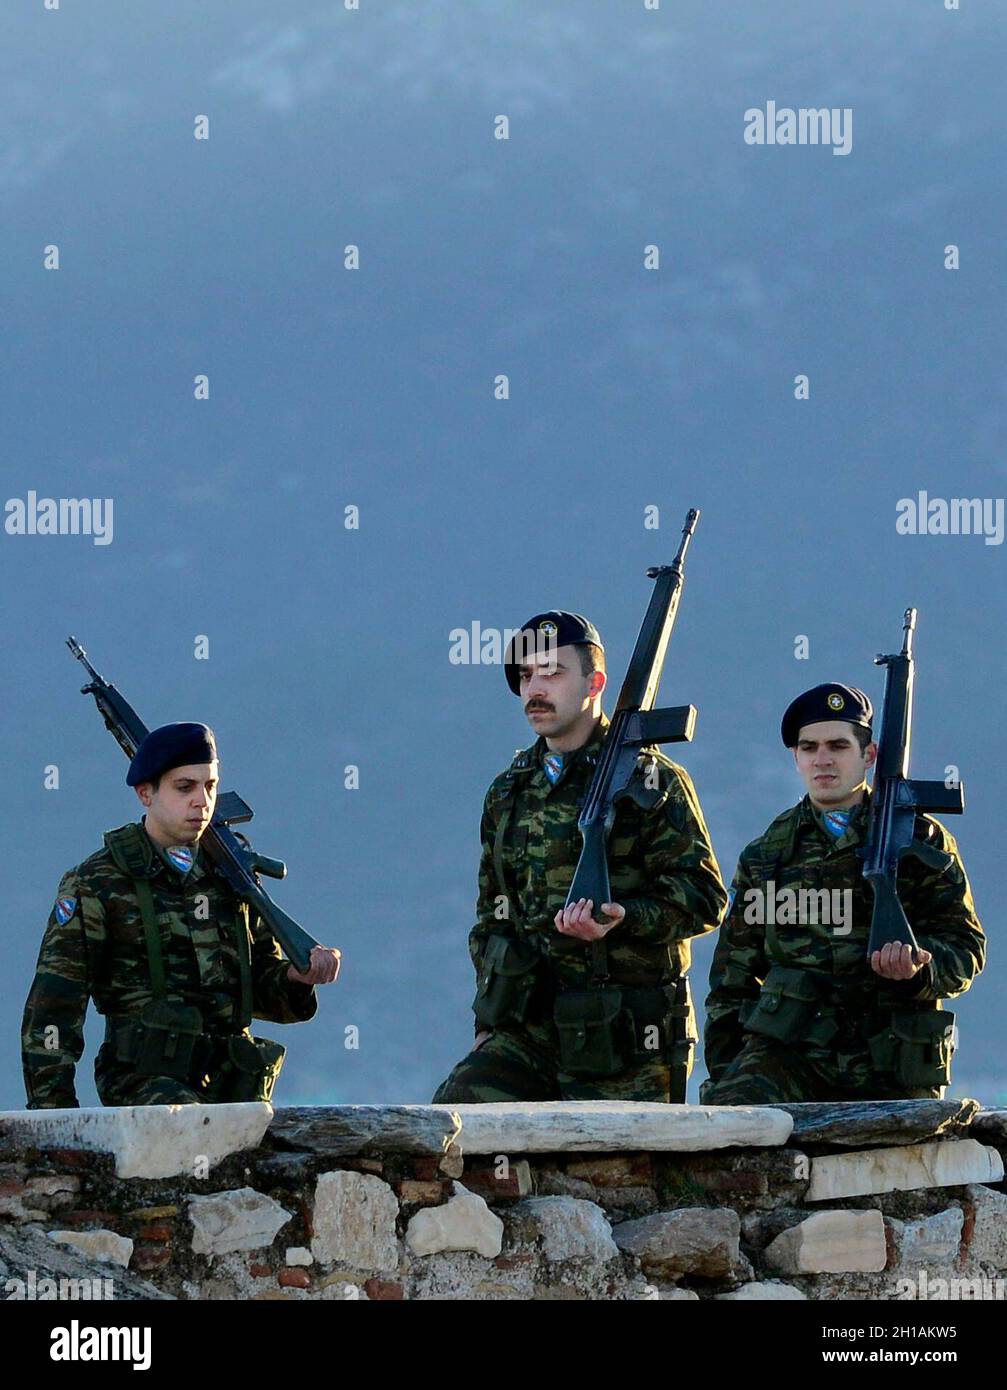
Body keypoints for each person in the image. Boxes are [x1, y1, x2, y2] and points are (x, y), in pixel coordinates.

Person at [432, 611, 727, 1104]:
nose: (534, 688)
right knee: (457, 1125)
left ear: (595, 682)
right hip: (528, 1027)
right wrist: (490, 1018)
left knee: (619, 1171)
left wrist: (624, 919)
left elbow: (704, 899)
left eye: (552, 672)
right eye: (525, 676)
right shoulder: (509, 791)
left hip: (624, 1033)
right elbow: (492, 916)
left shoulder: (652, 782)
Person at [22, 722, 340, 1108]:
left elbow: (260, 989)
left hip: (233, 1082)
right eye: (184, 787)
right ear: (145, 793)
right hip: (146, 1083)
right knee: (184, 1128)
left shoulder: (229, 875)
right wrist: (54, 1114)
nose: (202, 801)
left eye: (210, 785)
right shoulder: (98, 882)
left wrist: (295, 978)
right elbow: (55, 1004)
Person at [702, 684, 985, 1104]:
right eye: (809, 747)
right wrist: (726, 1072)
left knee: (903, 1159)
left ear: (868, 756)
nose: (823, 759)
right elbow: (732, 980)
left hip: (890, 1054)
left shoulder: (921, 843)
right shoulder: (767, 855)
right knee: (731, 1126)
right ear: (795, 758)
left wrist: (918, 967)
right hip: (788, 1052)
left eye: (838, 746)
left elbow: (967, 949)